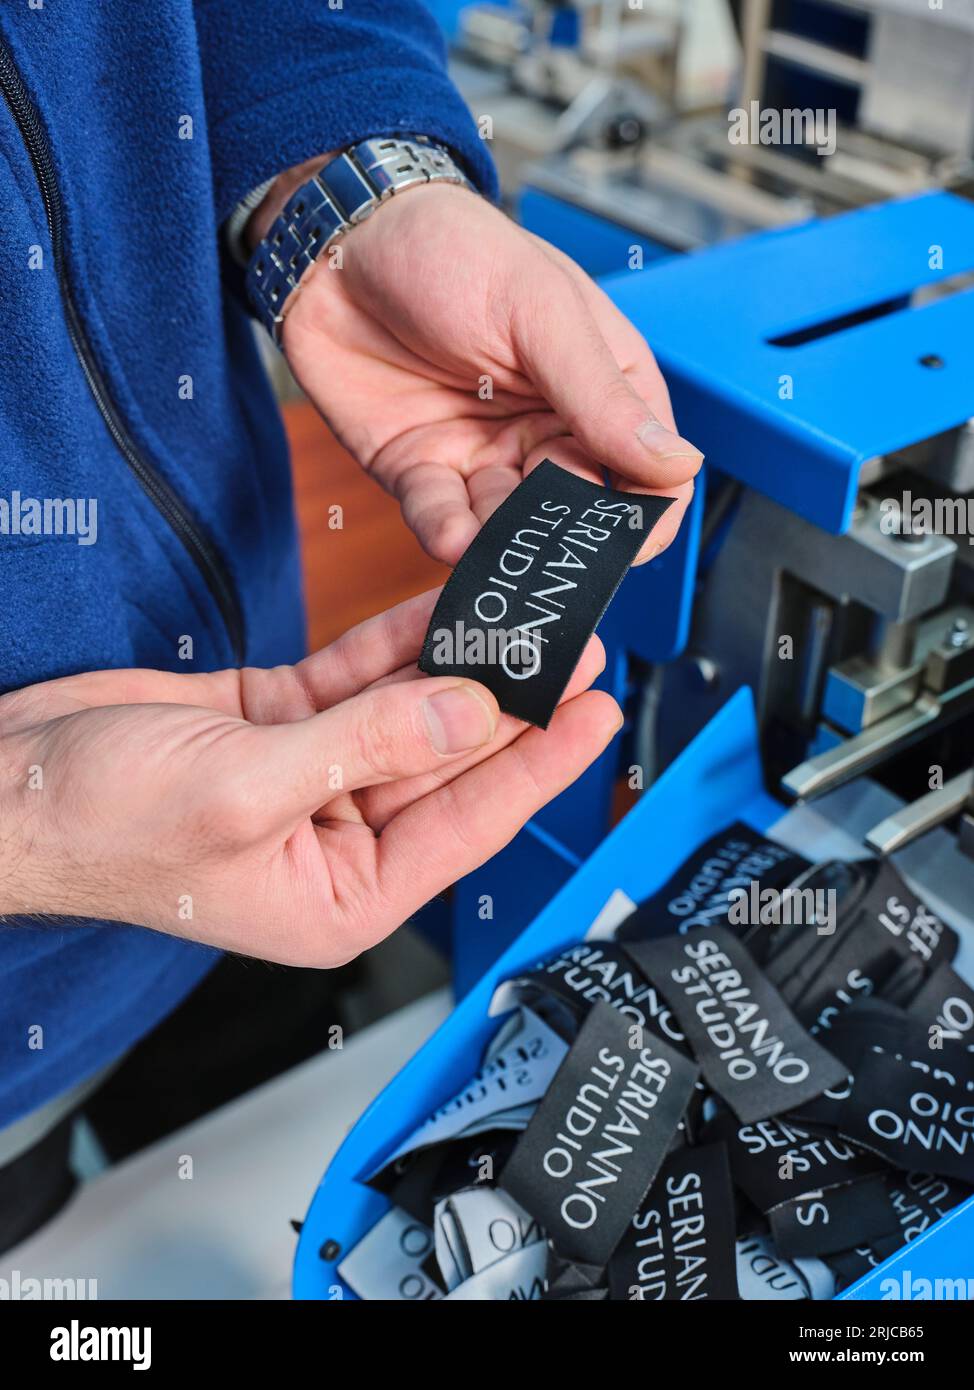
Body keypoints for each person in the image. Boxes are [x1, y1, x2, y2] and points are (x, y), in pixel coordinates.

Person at [0, 1, 701, 1248]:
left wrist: (348, 189)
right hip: (18, 1039)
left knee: (305, 1183)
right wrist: (29, 827)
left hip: (261, 764)